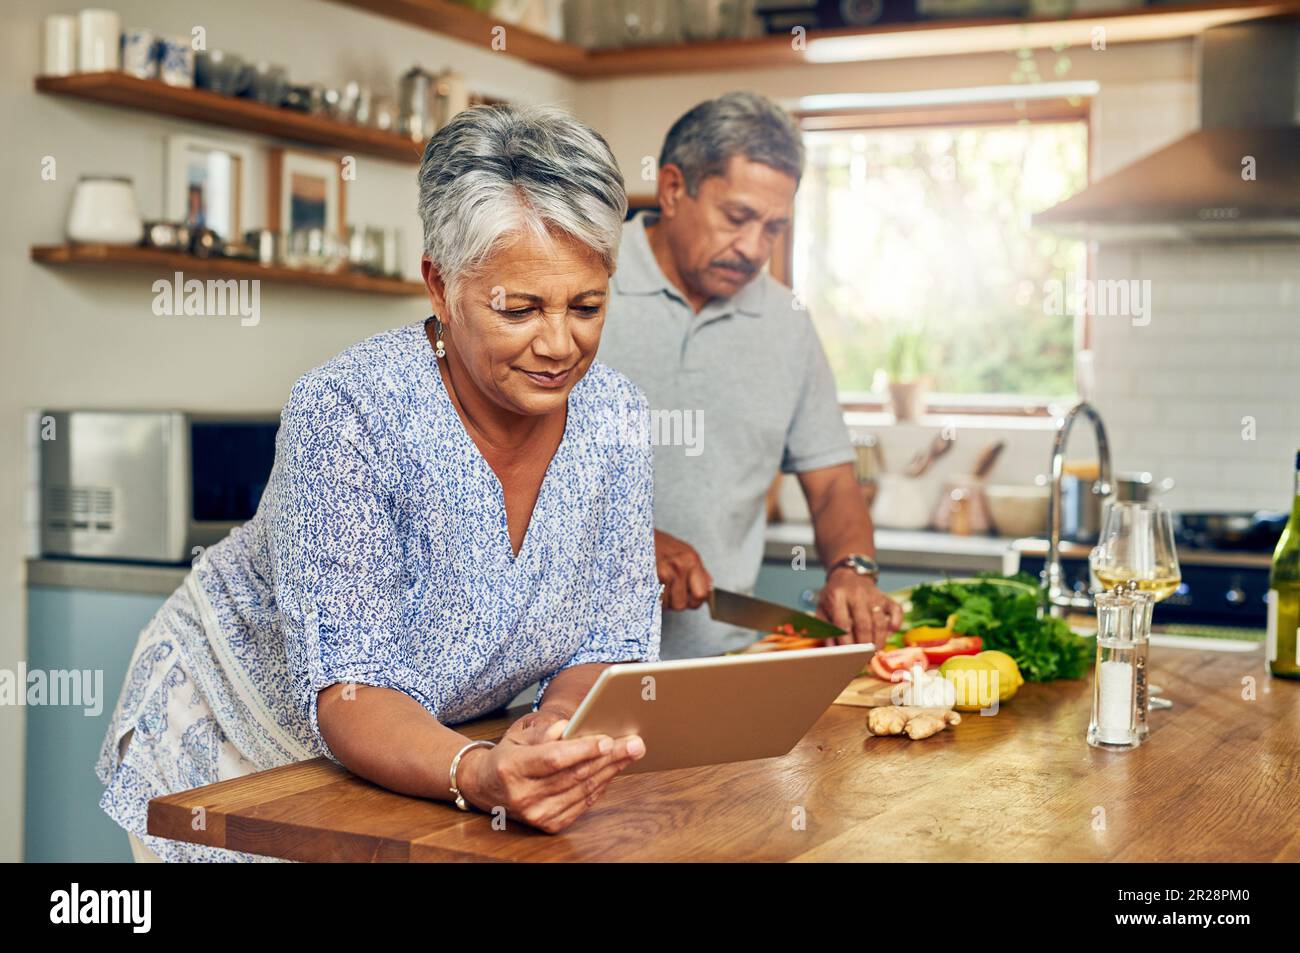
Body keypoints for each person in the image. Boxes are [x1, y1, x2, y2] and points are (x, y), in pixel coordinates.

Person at [96, 104, 658, 860]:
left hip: (432, 754)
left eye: (586, 306)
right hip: (247, 734)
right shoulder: (350, 411)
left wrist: (551, 733)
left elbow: (612, 635)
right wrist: (477, 771)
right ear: (440, 284)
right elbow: (351, 688)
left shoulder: (615, 413)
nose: (559, 343)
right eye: (519, 308)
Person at [598, 91, 903, 659]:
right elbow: (502, 467)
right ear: (672, 189)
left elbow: (834, 481)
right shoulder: (584, 289)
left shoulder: (786, 324)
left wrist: (852, 568)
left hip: (724, 661)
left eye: (773, 228)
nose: (753, 248)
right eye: (737, 218)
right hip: (561, 671)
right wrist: (621, 544)